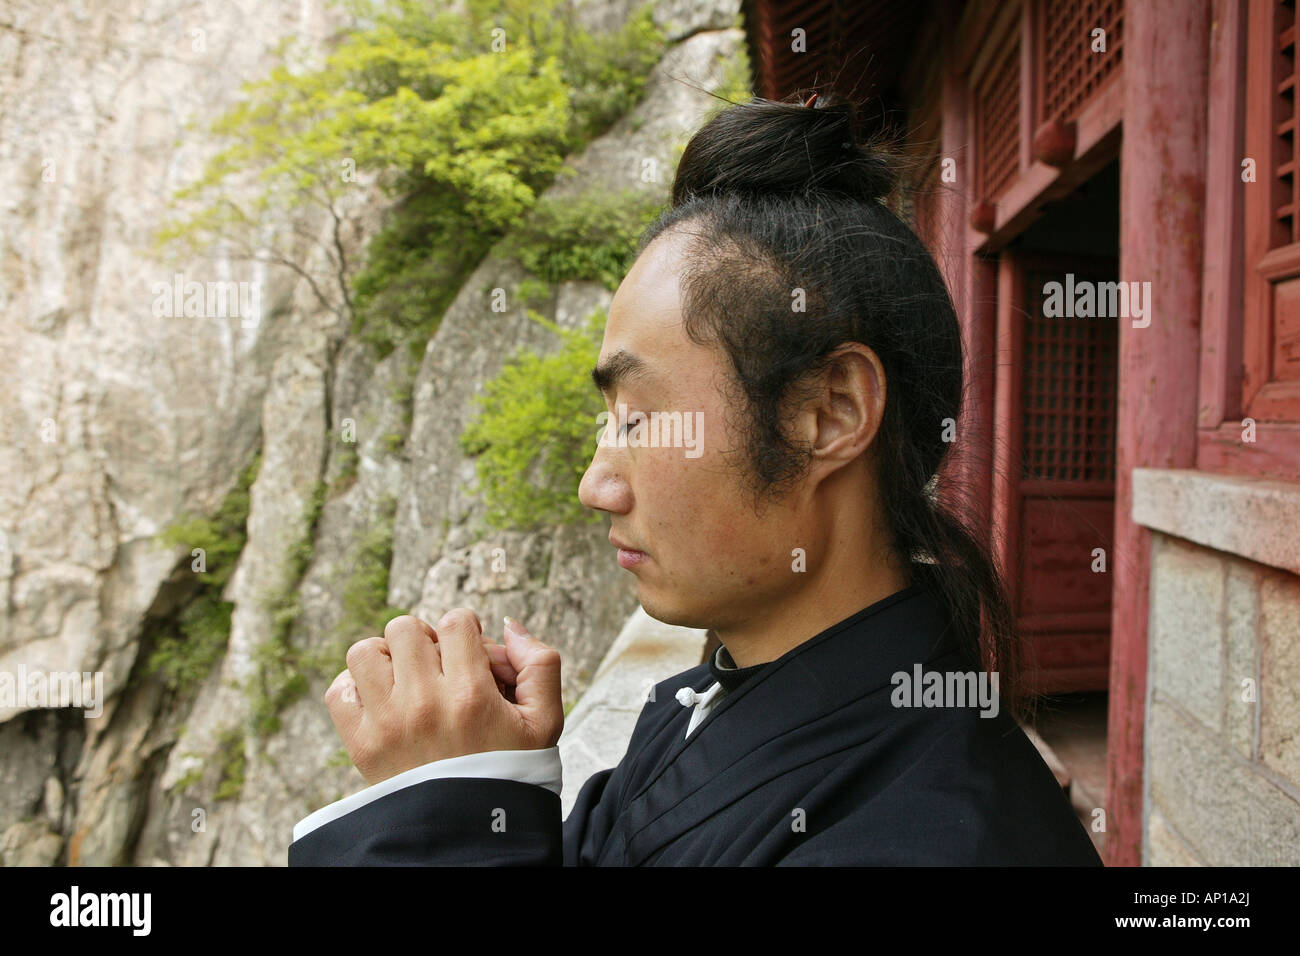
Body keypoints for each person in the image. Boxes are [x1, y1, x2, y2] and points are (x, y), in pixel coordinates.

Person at [287, 93, 1104, 866]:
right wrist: (498, 779)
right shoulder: (707, 700)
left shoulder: (937, 838)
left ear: (831, 411)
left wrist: (439, 810)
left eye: (638, 418)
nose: (595, 487)